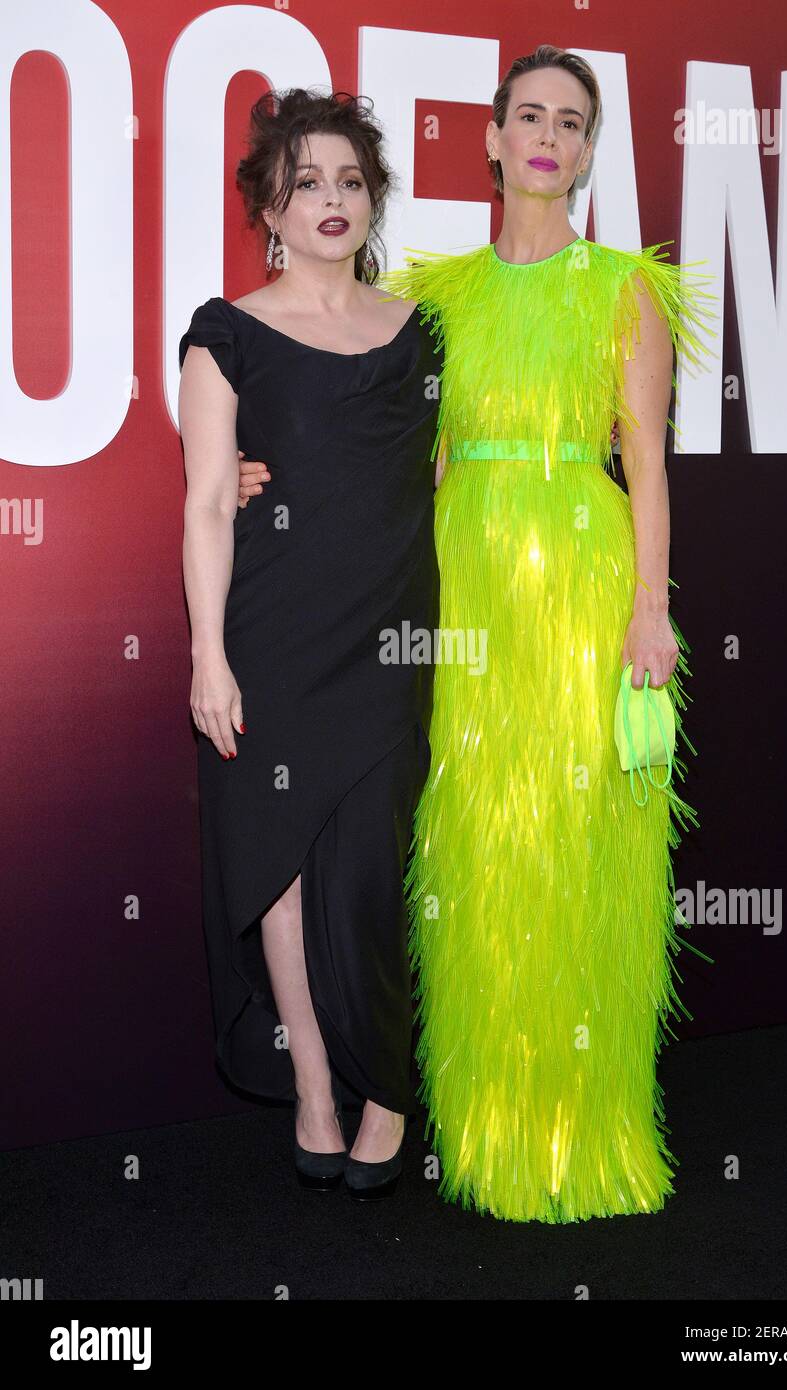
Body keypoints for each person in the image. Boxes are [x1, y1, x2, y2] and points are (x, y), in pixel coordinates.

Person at [239, 47, 717, 1223]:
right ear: (493, 141)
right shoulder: (435, 297)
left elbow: (645, 460)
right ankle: (481, 1118)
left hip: (584, 583)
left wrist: (649, 605)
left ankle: (578, 1127)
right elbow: (383, 445)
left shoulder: (624, 289)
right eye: (529, 117)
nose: (549, 137)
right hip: (452, 596)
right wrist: (254, 472)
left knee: (578, 849)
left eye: (572, 121)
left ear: (588, 150)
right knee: (468, 849)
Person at [178, 87, 443, 1199]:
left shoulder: (422, 332)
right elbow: (202, 502)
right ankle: (319, 1091)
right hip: (270, 634)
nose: (328, 199)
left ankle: (391, 1087)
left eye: (348, 179)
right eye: (304, 182)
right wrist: (206, 654)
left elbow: (437, 481)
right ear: (269, 209)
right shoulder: (226, 331)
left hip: (388, 639)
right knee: (277, 871)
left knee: (374, 867)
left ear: (372, 198)